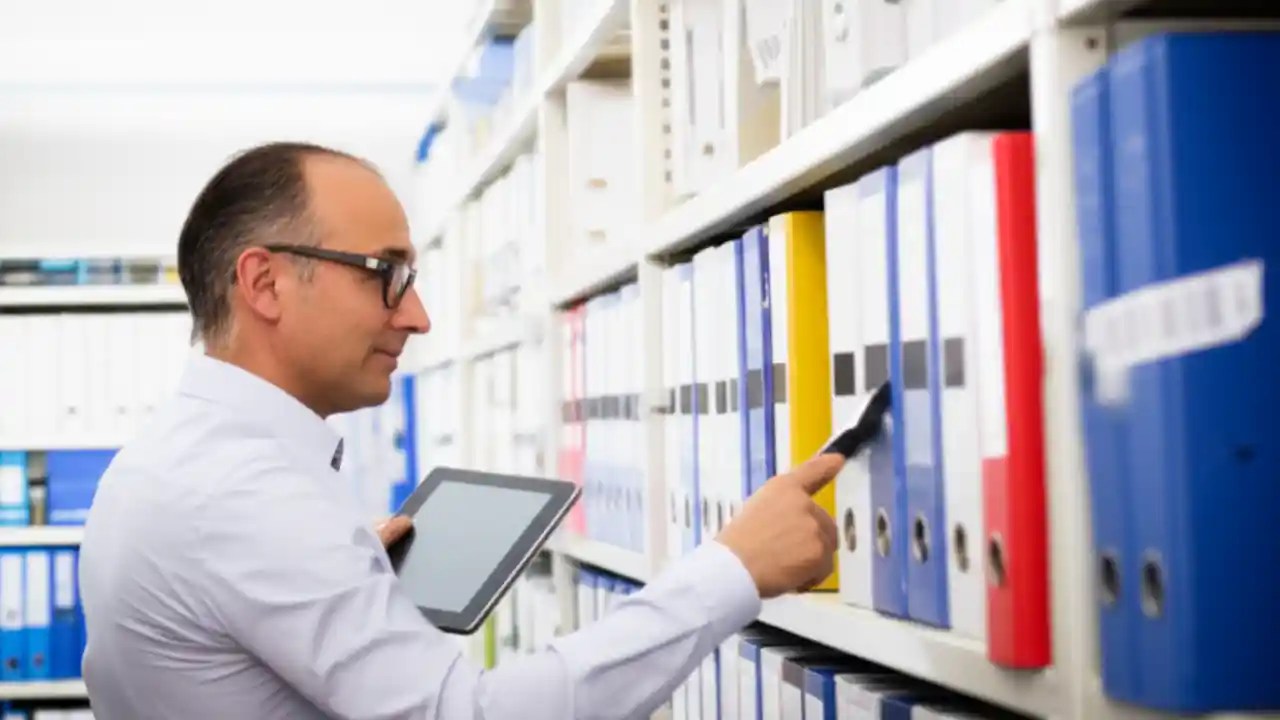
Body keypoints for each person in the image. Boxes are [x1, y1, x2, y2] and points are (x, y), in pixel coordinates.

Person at [79, 141, 845, 720]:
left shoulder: (169, 461)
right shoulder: (245, 495)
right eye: (386, 273)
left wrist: (333, 591)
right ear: (265, 282)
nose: (416, 315)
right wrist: (731, 570)